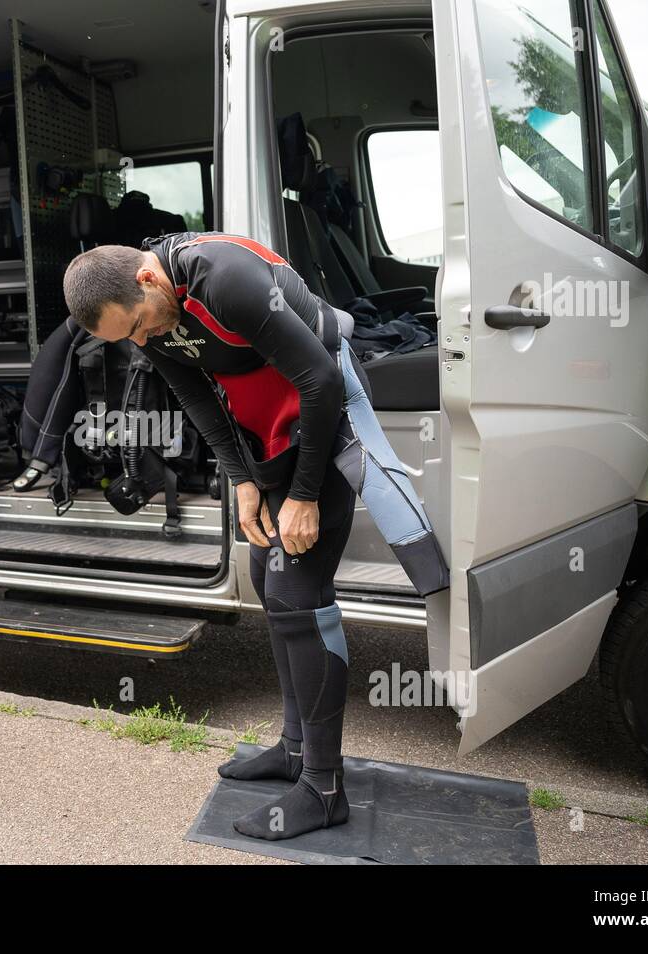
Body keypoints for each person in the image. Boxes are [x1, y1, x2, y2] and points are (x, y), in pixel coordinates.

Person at [62, 232, 446, 840]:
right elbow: (196, 398)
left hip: (327, 412)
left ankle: (323, 789)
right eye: (126, 340)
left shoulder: (225, 278)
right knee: (272, 582)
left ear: (146, 280)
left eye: (137, 327)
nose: (141, 342)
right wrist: (242, 481)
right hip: (267, 428)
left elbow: (320, 379)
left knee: (300, 591)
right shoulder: (149, 320)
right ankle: (295, 750)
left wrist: (304, 496)